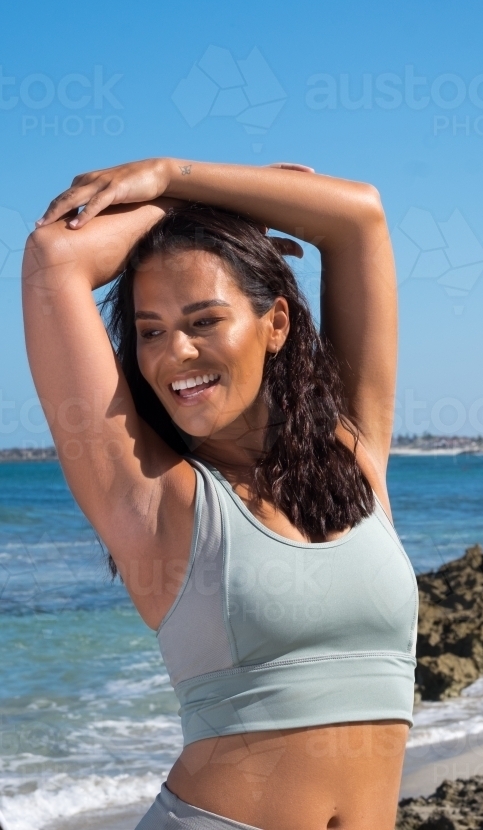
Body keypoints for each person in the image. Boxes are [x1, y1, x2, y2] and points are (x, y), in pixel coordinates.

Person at [22, 158, 418, 830]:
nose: (175, 352)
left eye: (203, 321)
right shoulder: (154, 499)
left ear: (277, 324)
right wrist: (183, 209)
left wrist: (171, 172)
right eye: (150, 331)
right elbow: (53, 255)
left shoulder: (352, 455)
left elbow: (358, 216)